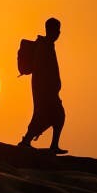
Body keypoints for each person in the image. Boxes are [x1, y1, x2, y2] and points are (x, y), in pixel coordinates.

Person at [18, 17, 67, 154]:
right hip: (45, 91)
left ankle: (47, 144)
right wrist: (48, 90)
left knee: (53, 116)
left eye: (59, 30)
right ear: (50, 30)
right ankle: (27, 142)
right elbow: (41, 71)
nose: (58, 33)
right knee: (51, 115)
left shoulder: (48, 45)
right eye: (56, 30)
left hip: (50, 91)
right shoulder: (43, 47)